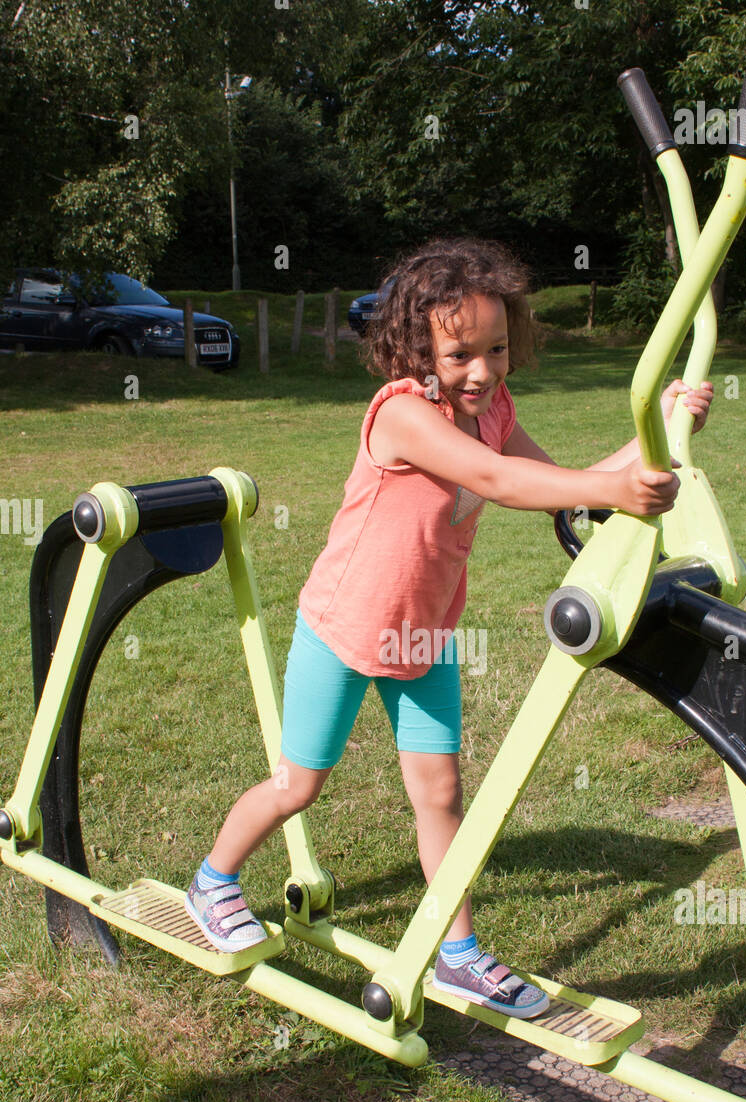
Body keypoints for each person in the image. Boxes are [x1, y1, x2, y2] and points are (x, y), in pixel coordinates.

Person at [185, 237, 712, 1020]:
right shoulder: (401, 413)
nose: (483, 370)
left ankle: (457, 955)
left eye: (496, 348)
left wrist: (659, 428)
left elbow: (563, 487)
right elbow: (498, 482)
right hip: (344, 629)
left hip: (424, 636)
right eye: (461, 352)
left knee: (441, 796)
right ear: (418, 346)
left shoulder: (495, 410)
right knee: (300, 784)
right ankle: (213, 883)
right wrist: (611, 486)